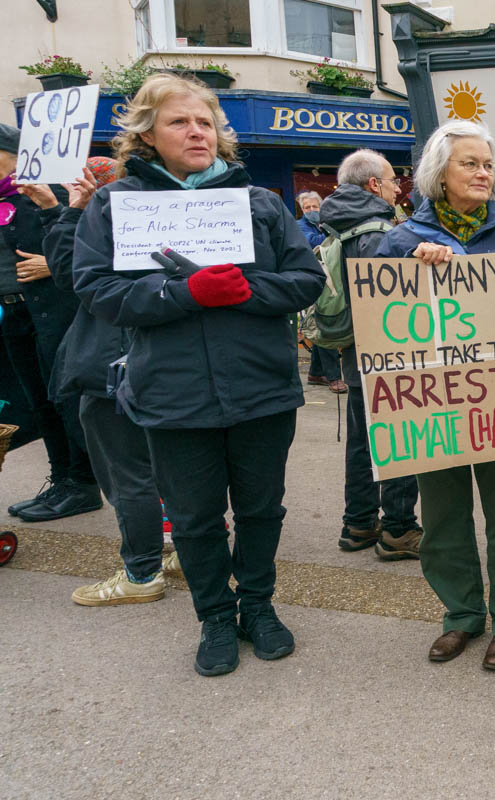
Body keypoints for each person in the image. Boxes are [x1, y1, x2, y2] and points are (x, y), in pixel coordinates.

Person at [72, 73, 325, 677]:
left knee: (263, 508)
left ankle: (258, 607)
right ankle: (215, 615)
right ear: (147, 135)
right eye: (179, 121)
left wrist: (244, 292)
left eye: (205, 122)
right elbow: (96, 289)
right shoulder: (116, 206)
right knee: (193, 517)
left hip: (261, 387)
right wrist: (182, 292)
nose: (196, 132)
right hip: (171, 392)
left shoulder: (260, 202)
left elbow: (305, 280)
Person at [375, 120, 495, 672]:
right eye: (470, 163)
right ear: (438, 174)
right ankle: (461, 616)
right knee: (445, 521)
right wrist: (410, 269)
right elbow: (376, 314)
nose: (484, 173)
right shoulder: (400, 239)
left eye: (489, 165)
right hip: (433, 409)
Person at [32, 159, 178, 605]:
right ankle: (180, 552)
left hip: (108, 360)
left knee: (126, 472)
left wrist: (69, 211)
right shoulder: (173, 214)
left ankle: (141, 573)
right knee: (172, 468)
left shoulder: (100, 219)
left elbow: (66, 274)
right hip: (168, 359)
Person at [317, 148, 422, 560]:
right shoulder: (380, 231)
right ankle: (398, 528)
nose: (399, 189)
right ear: (375, 185)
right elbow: (391, 299)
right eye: (395, 181)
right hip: (386, 349)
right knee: (399, 438)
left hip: (352, 346)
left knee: (362, 440)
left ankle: (359, 523)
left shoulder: (337, 224)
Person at [1, 122, 102, 523]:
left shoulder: (52, 192)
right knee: (39, 401)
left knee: (64, 398)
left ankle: (83, 483)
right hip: (13, 312)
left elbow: (98, 243)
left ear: (13, 155)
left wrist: (55, 262)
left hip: (53, 312)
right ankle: (62, 478)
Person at [295, 190, 343, 392]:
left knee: (320, 321)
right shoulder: (300, 227)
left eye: (315, 207)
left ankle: (316, 372)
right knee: (325, 322)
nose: (312, 210)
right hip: (314, 279)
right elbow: (316, 244)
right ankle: (334, 377)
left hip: (329, 277)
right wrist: (329, 231)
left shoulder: (323, 224)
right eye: (307, 208)